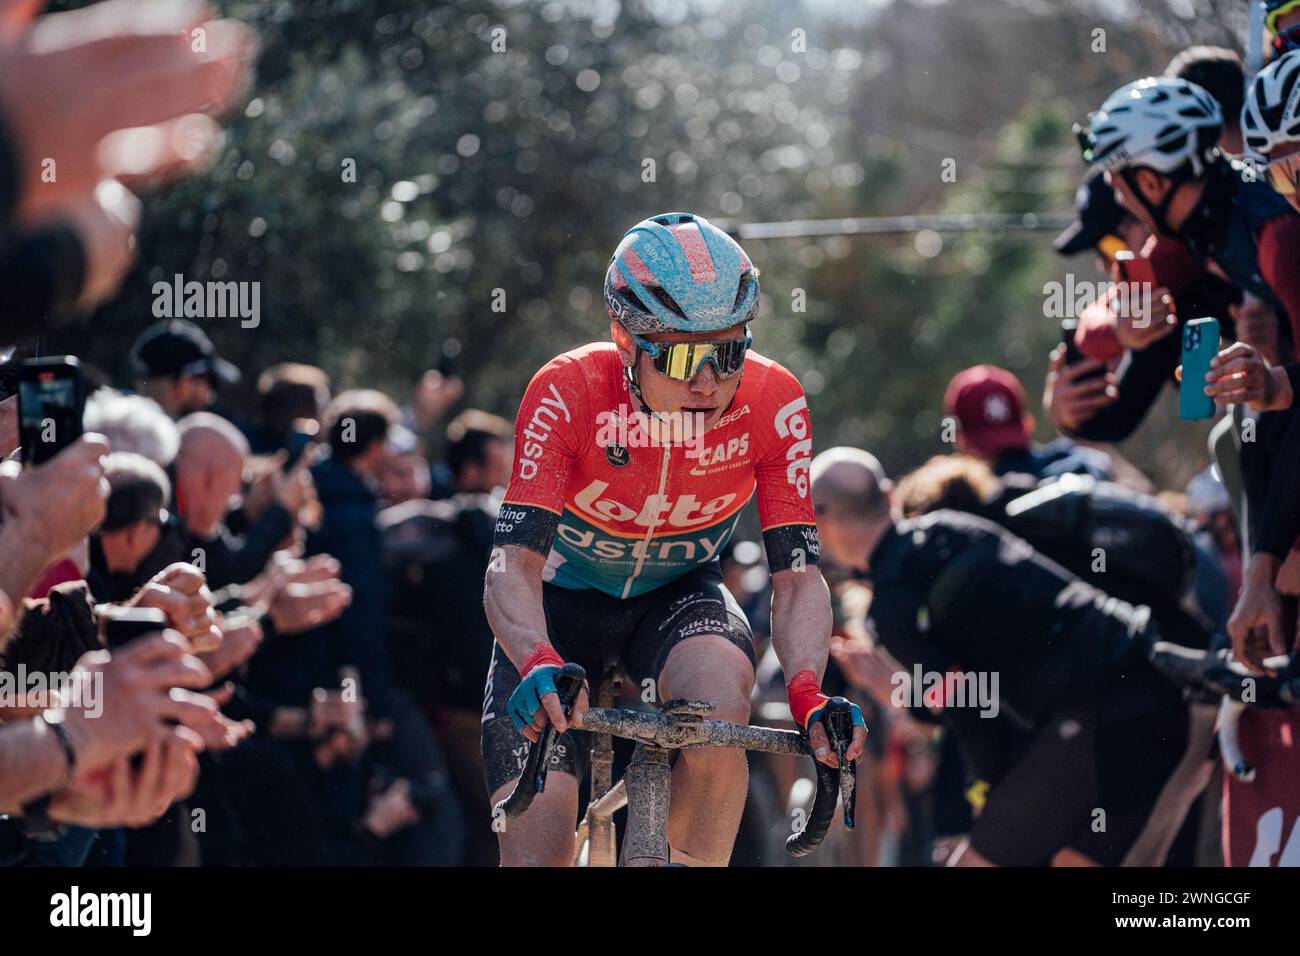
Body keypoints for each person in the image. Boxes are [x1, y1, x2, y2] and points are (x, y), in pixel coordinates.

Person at [483, 212, 865, 867]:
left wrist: (805, 689)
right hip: (561, 607)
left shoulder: (774, 403)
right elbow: (511, 563)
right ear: (624, 342)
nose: (709, 383)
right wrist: (533, 654)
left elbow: (798, 577)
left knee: (719, 718)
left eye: (730, 352)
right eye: (684, 355)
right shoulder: (568, 390)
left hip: (679, 598)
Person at [810, 446, 1215, 867]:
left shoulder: (892, 604)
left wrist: (988, 790)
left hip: (1104, 714)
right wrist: (907, 698)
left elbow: (963, 704)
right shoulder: (952, 527)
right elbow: (979, 685)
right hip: (1156, 690)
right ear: (889, 495)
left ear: (820, 519)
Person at [943, 364, 1110, 483]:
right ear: (1028, 423)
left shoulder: (952, 498)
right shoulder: (1079, 465)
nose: (1008, 468)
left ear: (960, 439)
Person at [130, 320, 241, 420]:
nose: (210, 397)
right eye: (210, 381)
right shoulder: (198, 440)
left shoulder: (116, 436)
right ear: (183, 385)